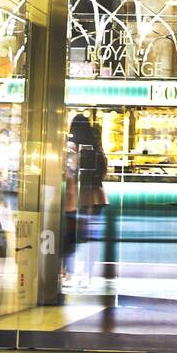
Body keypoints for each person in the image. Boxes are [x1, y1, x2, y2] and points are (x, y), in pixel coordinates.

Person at [63, 114, 108, 290]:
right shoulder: (96, 146)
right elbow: (104, 171)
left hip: (74, 197)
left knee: (71, 238)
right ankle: (87, 276)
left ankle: (70, 274)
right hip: (96, 197)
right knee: (90, 239)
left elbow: (68, 170)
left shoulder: (71, 145)